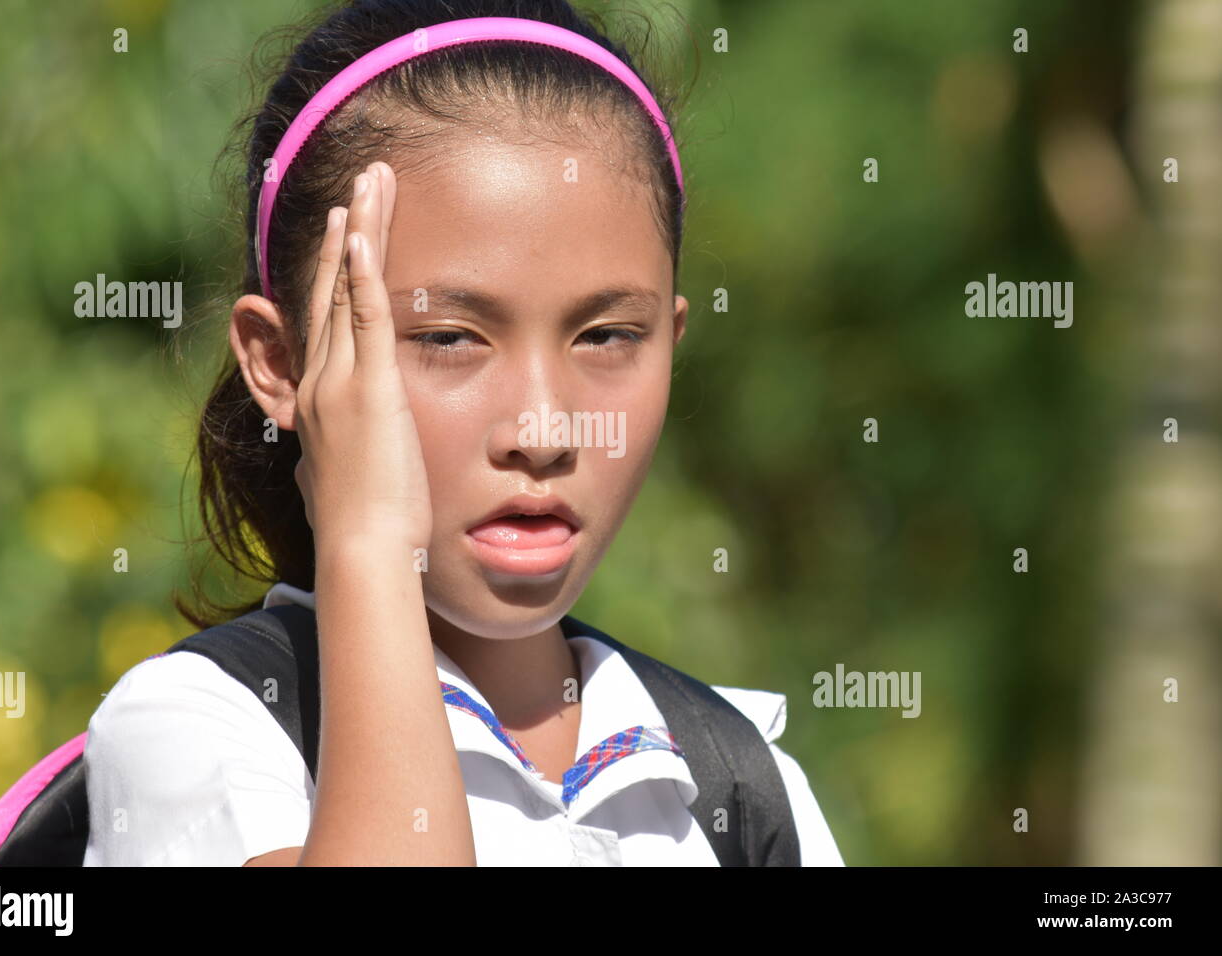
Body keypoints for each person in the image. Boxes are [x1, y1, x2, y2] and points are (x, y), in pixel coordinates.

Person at [83, 0, 846, 866]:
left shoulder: (738, 786)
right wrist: (368, 544)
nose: (544, 429)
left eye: (607, 337)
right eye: (449, 338)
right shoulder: (205, 730)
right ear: (282, 366)